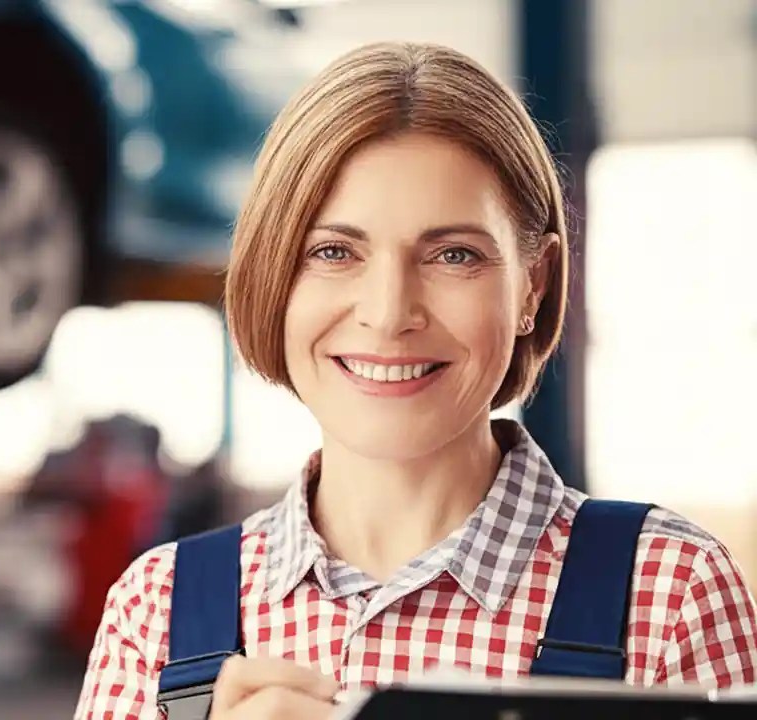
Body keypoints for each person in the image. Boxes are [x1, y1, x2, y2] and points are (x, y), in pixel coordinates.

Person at [73, 41, 757, 720]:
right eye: (334, 251)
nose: (390, 312)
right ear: (274, 276)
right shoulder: (154, 613)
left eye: (453, 254)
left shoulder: (668, 593)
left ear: (533, 285)